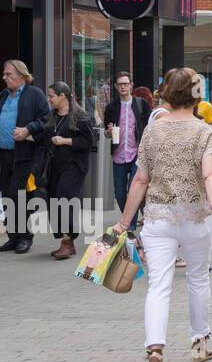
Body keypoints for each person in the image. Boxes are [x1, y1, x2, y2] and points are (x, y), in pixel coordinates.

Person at [113, 67, 212, 362]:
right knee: (197, 278)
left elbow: (139, 179)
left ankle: (155, 351)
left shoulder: (153, 131)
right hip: (195, 216)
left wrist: (125, 223)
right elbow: (210, 175)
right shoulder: (205, 132)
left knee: (158, 286)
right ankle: (200, 342)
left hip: (158, 218)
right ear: (196, 94)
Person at [28, 81, 95, 259]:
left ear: (62, 96)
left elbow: (89, 142)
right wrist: (26, 135)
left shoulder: (80, 117)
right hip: (54, 166)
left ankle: (66, 242)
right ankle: (67, 241)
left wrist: (65, 141)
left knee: (63, 198)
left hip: (74, 166)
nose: (48, 100)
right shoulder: (53, 116)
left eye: (51, 96)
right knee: (53, 201)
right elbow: (44, 137)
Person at [0, 60, 50, 254]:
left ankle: (25, 236)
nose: (4, 78)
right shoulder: (4, 95)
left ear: (21, 76)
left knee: (18, 195)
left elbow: (45, 118)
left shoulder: (34, 94)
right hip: (5, 154)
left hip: (25, 155)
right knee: (6, 195)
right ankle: (13, 237)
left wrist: (28, 129)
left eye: (8, 74)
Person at [104, 71, 150, 233]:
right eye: (120, 84)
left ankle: (128, 227)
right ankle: (129, 218)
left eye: (126, 84)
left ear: (131, 85)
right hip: (118, 155)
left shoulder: (142, 104)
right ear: (116, 87)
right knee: (119, 194)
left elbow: (149, 128)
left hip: (138, 154)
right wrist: (109, 132)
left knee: (133, 190)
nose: (123, 87)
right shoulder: (111, 107)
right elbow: (106, 132)